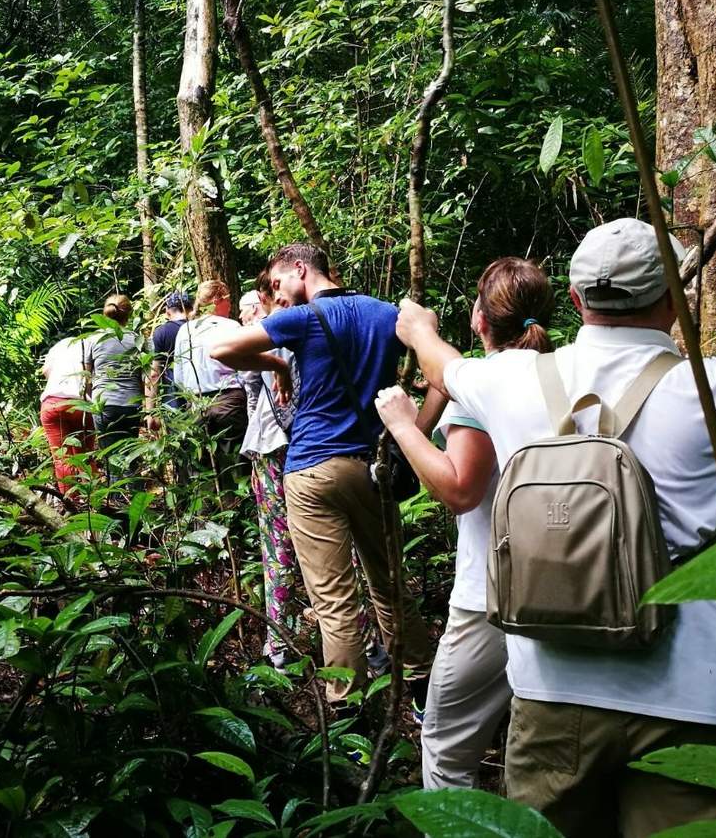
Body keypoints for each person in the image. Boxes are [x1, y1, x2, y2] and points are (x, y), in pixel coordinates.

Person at [395, 217, 716, 836]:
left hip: (552, 694)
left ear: (576, 301)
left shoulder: (508, 379)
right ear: (676, 297)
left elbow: (447, 368)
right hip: (695, 700)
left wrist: (419, 330)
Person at [210, 243, 432, 716]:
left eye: (276, 283)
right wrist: (413, 432)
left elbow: (221, 348)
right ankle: (420, 688)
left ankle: (348, 712)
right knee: (389, 583)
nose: (277, 293)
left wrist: (274, 362)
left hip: (311, 469)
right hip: (373, 467)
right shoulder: (385, 312)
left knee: (334, 600)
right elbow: (442, 376)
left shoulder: (302, 320)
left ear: (299, 269)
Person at [375, 258, 554, 790]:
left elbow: (460, 489)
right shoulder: (562, 377)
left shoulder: (483, 390)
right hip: (562, 586)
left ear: (479, 318)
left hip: (490, 598)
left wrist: (406, 428)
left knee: (446, 745)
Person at [238, 279, 301, 667]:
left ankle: (280, 643)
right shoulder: (316, 321)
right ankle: (363, 642)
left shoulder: (266, 333)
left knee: (277, 547)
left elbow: (248, 388)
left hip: (271, 444)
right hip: (312, 443)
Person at [173, 280, 249, 460]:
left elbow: (179, 376)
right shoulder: (231, 327)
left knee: (202, 462)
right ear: (217, 300)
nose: (231, 306)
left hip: (196, 404)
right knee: (234, 461)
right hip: (229, 401)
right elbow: (245, 368)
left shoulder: (185, 330)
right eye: (228, 300)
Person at [85, 294, 146, 470]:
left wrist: (90, 399)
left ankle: (116, 497)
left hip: (104, 402)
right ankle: (135, 491)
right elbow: (144, 377)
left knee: (111, 457)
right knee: (131, 455)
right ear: (129, 315)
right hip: (131, 404)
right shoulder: (137, 339)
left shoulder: (93, 339)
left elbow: (87, 377)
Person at [39, 331, 93, 500]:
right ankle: (92, 503)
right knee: (85, 456)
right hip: (80, 404)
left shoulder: (58, 346)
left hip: (52, 404)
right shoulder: (90, 344)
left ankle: (71, 504)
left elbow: (45, 371)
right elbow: (91, 378)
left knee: (62, 458)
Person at [149, 291, 194, 414]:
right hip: (200, 395)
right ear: (191, 308)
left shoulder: (161, 332)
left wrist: (150, 412)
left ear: (167, 311)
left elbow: (154, 374)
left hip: (173, 399)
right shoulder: (198, 328)